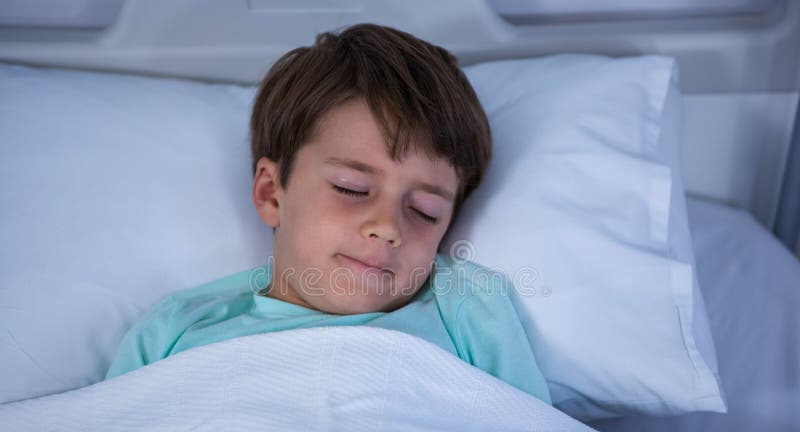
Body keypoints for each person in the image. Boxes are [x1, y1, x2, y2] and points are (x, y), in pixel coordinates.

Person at [104, 23, 551, 404]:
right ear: (271, 194)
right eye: (350, 188)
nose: (387, 228)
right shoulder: (178, 328)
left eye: (425, 211)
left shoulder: (465, 309)